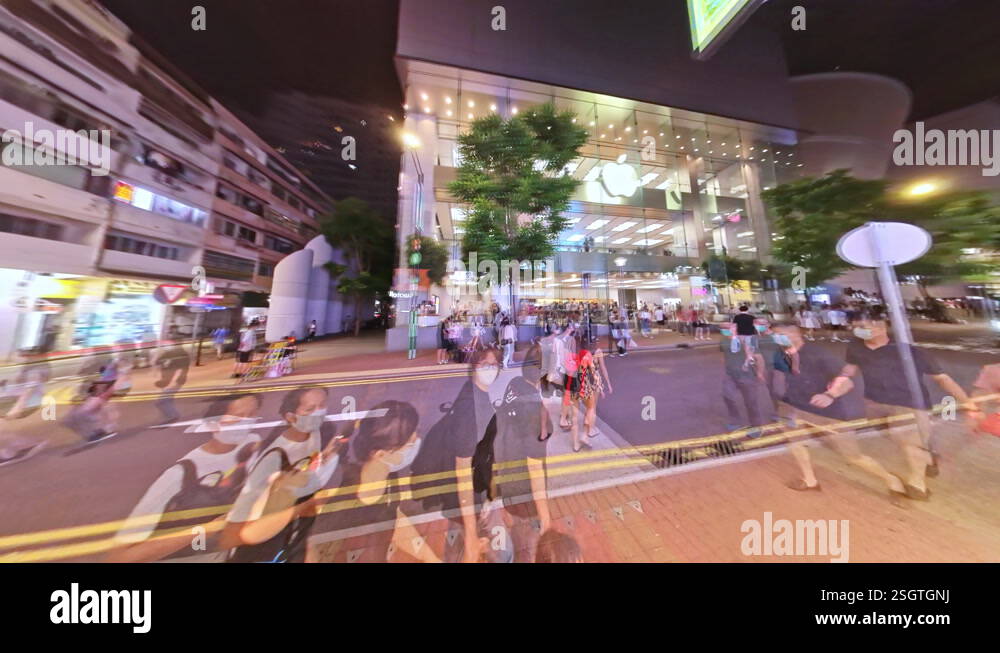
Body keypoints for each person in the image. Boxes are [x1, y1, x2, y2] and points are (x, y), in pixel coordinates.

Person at [108, 394, 264, 562]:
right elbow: (120, 557)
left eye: (252, 415)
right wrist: (207, 529)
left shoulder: (251, 443)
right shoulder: (179, 475)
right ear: (213, 424)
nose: (246, 423)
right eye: (237, 417)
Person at [844, 315, 977, 499]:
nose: (857, 331)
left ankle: (918, 484)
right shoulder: (856, 348)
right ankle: (928, 456)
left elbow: (941, 378)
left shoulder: (909, 352)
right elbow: (851, 367)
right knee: (894, 436)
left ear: (881, 328)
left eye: (863, 327)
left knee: (909, 443)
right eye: (856, 327)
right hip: (875, 403)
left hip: (909, 404)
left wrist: (966, 401)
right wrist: (841, 379)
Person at [770, 324, 907, 501]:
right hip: (793, 408)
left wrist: (829, 394)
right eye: (775, 335)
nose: (777, 338)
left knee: (853, 456)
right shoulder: (780, 354)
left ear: (796, 334)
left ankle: (893, 481)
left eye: (781, 334)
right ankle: (810, 480)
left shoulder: (817, 353)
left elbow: (846, 381)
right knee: (796, 443)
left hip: (825, 413)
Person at [222, 387, 344, 562]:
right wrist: (301, 508)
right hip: (261, 549)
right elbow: (238, 533)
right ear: (291, 417)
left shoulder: (318, 433)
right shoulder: (273, 458)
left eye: (322, 405)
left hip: (289, 536)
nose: (319, 412)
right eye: (310, 409)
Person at [411, 348, 500, 562]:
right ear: (473, 368)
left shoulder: (475, 392)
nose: (491, 369)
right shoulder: (470, 409)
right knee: (465, 540)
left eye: (495, 364)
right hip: (464, 493)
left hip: (471, 488)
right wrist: (471, 534)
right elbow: (462, 473)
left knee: (466, 537)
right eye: (484, 364)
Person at [719, 323, 771, 438]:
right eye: (723, 329)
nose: (725, 331)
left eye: (728, 328)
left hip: (747, 376)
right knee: (728, 396)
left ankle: (756, 426)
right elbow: (723, 355)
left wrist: (760, 373)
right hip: (731, 375)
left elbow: (759, 358)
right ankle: (736, 421)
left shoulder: (746, 340)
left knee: (751, 402)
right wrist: (727, 367)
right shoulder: (723, 341)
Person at [564, 331, 608, 452]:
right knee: (590, 408)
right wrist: (600, 387)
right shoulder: (588, 355)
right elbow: (594, 373)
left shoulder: (572, 355)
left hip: (573, 386)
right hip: (585, 386)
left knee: (574, 418)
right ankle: (584, 435)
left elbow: (568, 373)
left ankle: (575, 445)